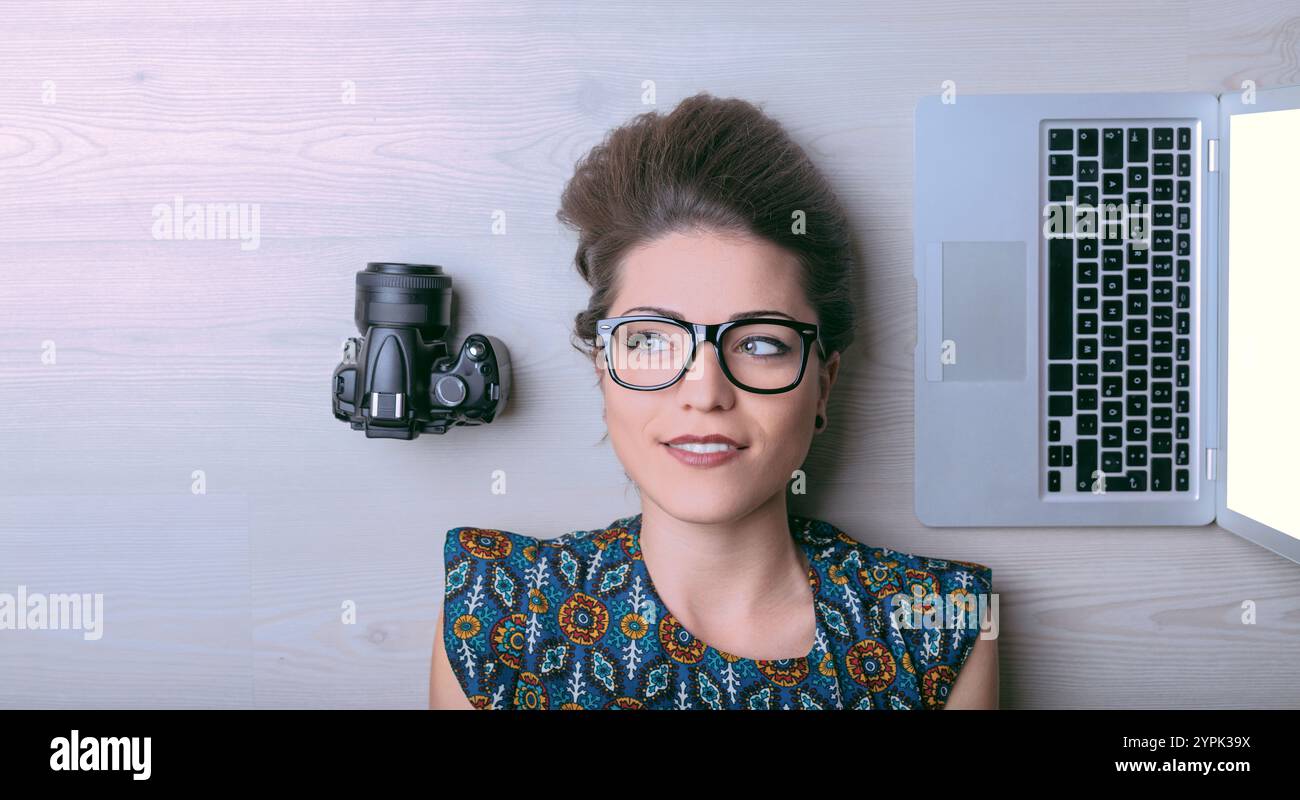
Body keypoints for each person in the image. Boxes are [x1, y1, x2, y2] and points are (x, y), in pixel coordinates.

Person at [430, 92, 996, 710]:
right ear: (603, 370)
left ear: (823, 385)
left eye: (759, 343)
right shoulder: (496, 611)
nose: (705, 393)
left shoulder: (939, 624)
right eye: (651, 340)